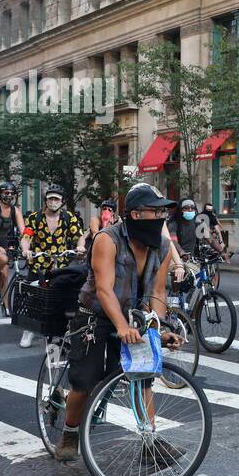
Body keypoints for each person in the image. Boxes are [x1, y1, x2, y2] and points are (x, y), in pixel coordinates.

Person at [56, 183, 182, 461]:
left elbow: (158, 291)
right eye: (156, 212)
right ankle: (69, 432)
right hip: (94, 315)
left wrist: (155, 328)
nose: (162, 218)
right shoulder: (107, 239)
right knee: (84, 382)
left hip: (132, 315)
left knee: (142, 377)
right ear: (136, 215)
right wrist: (121, 327)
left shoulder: (161, 246)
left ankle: (150, 442)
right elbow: (104, 289)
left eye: (164, 213)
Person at [17, 184, 87, 348]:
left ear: (62, 201)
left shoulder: (69, 217)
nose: (53, 202)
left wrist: (81, 246)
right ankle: (29, 330)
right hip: (39, 264)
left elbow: (80, 236)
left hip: (61, 265)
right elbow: (26, 237)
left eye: (57, 199)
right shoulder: (35, 218)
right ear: (46, 200)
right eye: (51, 199)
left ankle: (62, 331)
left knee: (65, 298)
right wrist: (26, 250)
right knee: (34, 297)